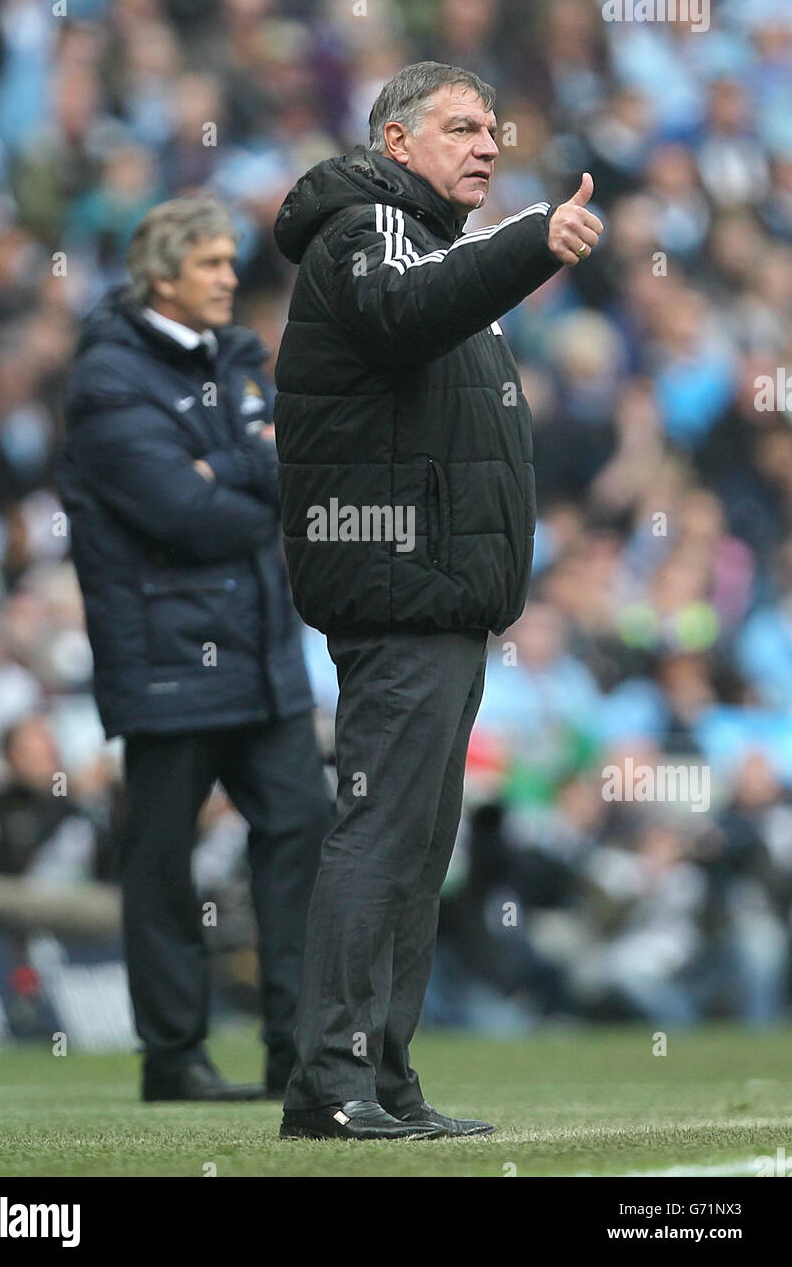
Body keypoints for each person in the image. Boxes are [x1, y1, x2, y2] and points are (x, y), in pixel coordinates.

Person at [273, 61, 602, 1140]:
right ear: (394, 140)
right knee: (380, 839)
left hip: (438, 596)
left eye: (494, 129)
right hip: (394, 589)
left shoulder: (427, 243)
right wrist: (524, 243)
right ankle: (331, 1084)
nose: (487, 144)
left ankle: (384, 1079)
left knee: (415, 849)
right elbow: (401, 317)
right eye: (460, 127)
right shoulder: (361, 229)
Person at [59, 197, 332, 1101]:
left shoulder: (242, 360)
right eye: (211, 264)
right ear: (162, 275)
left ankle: (301, 1053)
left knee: (300, 831)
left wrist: (232, 469)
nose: (227, 278)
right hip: (167, 659)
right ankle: (173, 1058)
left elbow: (288, 470)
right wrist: (244, 471)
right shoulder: (109, 378)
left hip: (264, 651)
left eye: (229, 262)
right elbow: (180, 513)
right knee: (163, 860)